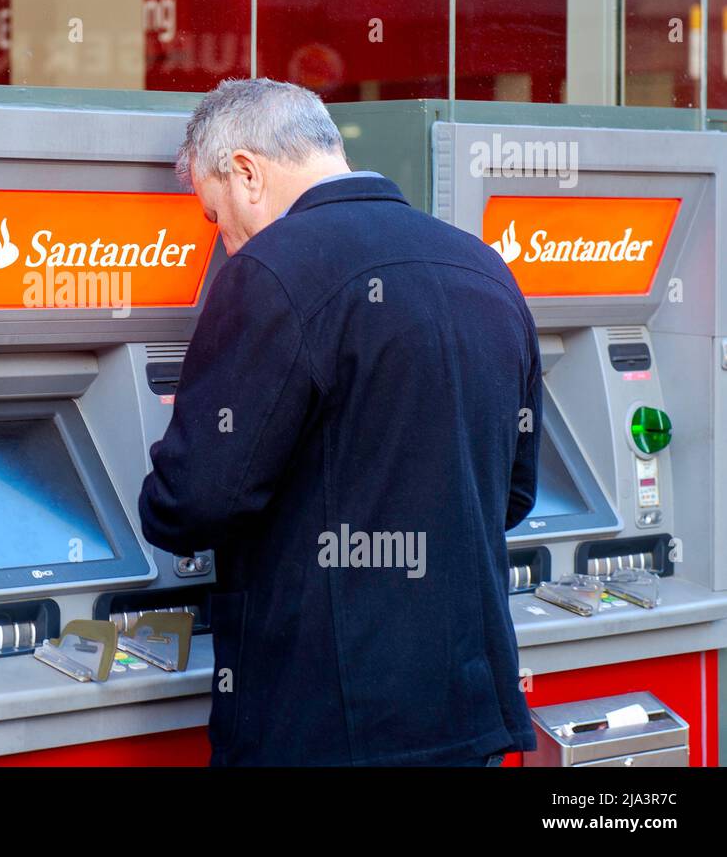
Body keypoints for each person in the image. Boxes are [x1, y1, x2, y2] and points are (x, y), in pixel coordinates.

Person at [138, 78, 539, 766]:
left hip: (323, 718)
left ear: (246, 171)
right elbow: (515, 492)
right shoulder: (483, 267)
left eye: (213, 215)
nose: (223, 242)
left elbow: (194, 501)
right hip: (464, 705)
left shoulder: (269, 271)